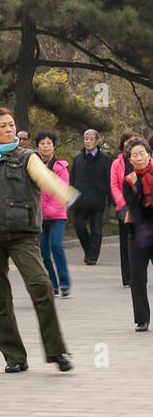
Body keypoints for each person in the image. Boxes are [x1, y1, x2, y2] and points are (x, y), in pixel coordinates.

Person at [0, 108, 77, 374]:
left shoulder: (28, 157)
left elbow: (46, 179)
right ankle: (14, 356)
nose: (9, 129)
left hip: (21, 236)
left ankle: (56, 351)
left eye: (12, 125)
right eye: (3, 126)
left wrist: (68, 196)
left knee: (42, 286)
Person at [119, 137, 153, 331]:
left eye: (142, 154)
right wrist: (142, 229)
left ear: (149, 154)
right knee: (137, 277)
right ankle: (142, 319)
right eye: (135, 155)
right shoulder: (129, 181)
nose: (139, 158)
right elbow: (133, 207)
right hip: (139, 231)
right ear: (129, 159)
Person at [35, 130, 72, 298]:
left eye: (48, 143)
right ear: (37, 146)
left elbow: (61, 192)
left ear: (54, 146)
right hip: (39, 218)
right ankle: (52, 284)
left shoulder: (61, 168)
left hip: (57, 216)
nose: (45, 146)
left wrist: (49, 210)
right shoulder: (33, 166)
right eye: (42, 143)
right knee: (42, 252)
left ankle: (64, 283)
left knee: (56, 247)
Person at [72, 129, 112, 265]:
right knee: (79, 226)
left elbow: (109, 180)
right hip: (80, 201)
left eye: (90, 139)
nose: (88, 141)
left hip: (97, 200)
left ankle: (92, 257)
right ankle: (89, 250)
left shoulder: (106, 159)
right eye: (86, 139)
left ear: (97, 141)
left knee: (96, 231)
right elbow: (72, 180)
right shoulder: (78, 158)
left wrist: (111, 200)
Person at [110, 130, 137, 287]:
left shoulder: (140, 159)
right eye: (127, 140)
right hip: (124, 207)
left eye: (133, 140)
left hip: (141, 205)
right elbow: (114, 184)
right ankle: (128, 278)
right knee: (126, 242)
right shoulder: (116, 163)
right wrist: (122, 202)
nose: (129, 143)